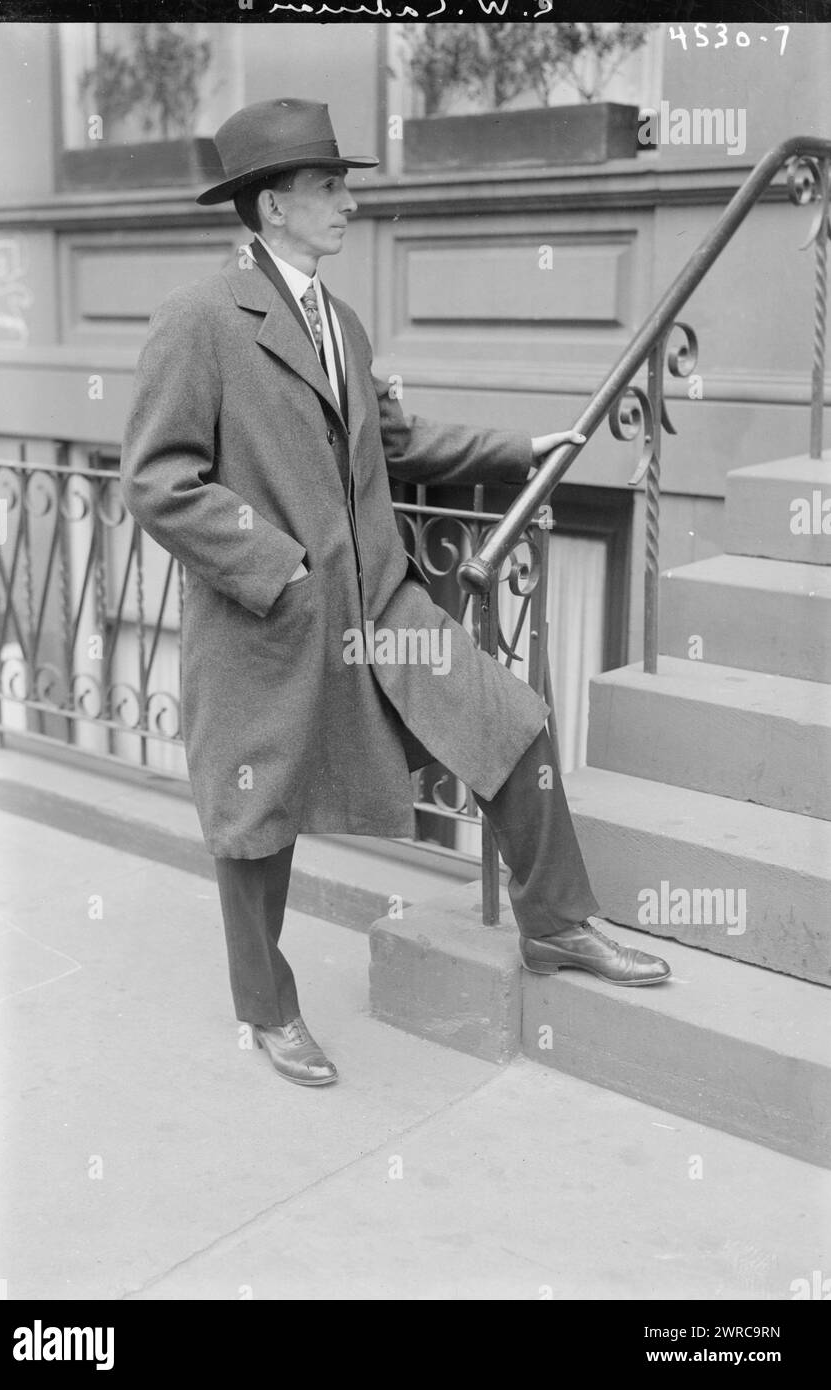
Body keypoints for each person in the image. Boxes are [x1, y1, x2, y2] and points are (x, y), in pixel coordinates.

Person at [120, 98, 670, 1089]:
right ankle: (270, 1009)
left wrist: (516, 449)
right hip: (271, 622)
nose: (347, 199)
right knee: (256, 822)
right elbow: (158, 481)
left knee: (509, 723)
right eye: (328, 184)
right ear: (272, 205)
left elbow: (397, 442)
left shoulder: (343, 319)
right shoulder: (199, 320)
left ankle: (554, 923)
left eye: (344, 181)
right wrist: (273, 564)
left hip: (379, 606)